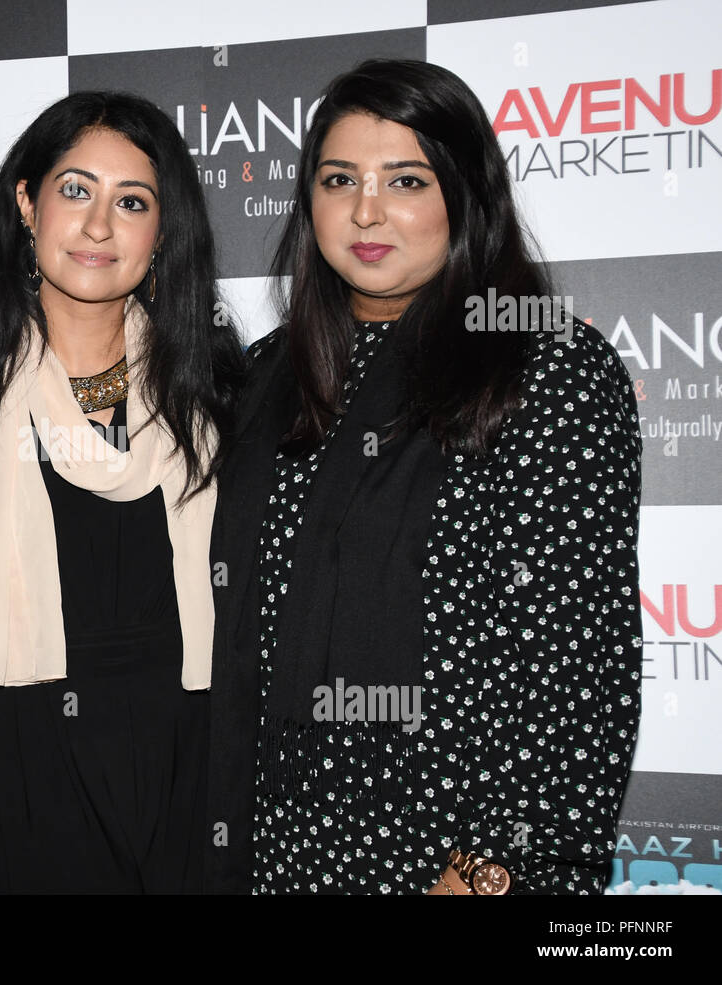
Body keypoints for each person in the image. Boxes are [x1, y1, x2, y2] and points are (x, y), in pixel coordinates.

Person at [206, 59, 642, 895]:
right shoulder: (263, 380)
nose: (366, 210)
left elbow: (577, 656)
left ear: (465, 194)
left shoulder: (542, 362)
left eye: (405, 179)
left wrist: (498, 868)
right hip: (271, 845)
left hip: (447, 849)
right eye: (340, 179)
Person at [0, 90, 244, 892]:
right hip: (18, 779)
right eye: (75, 191)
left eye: (131, 202)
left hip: (192, 776)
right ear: (26, 205)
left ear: (162, 233)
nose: (99, 226)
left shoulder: (226, 396)